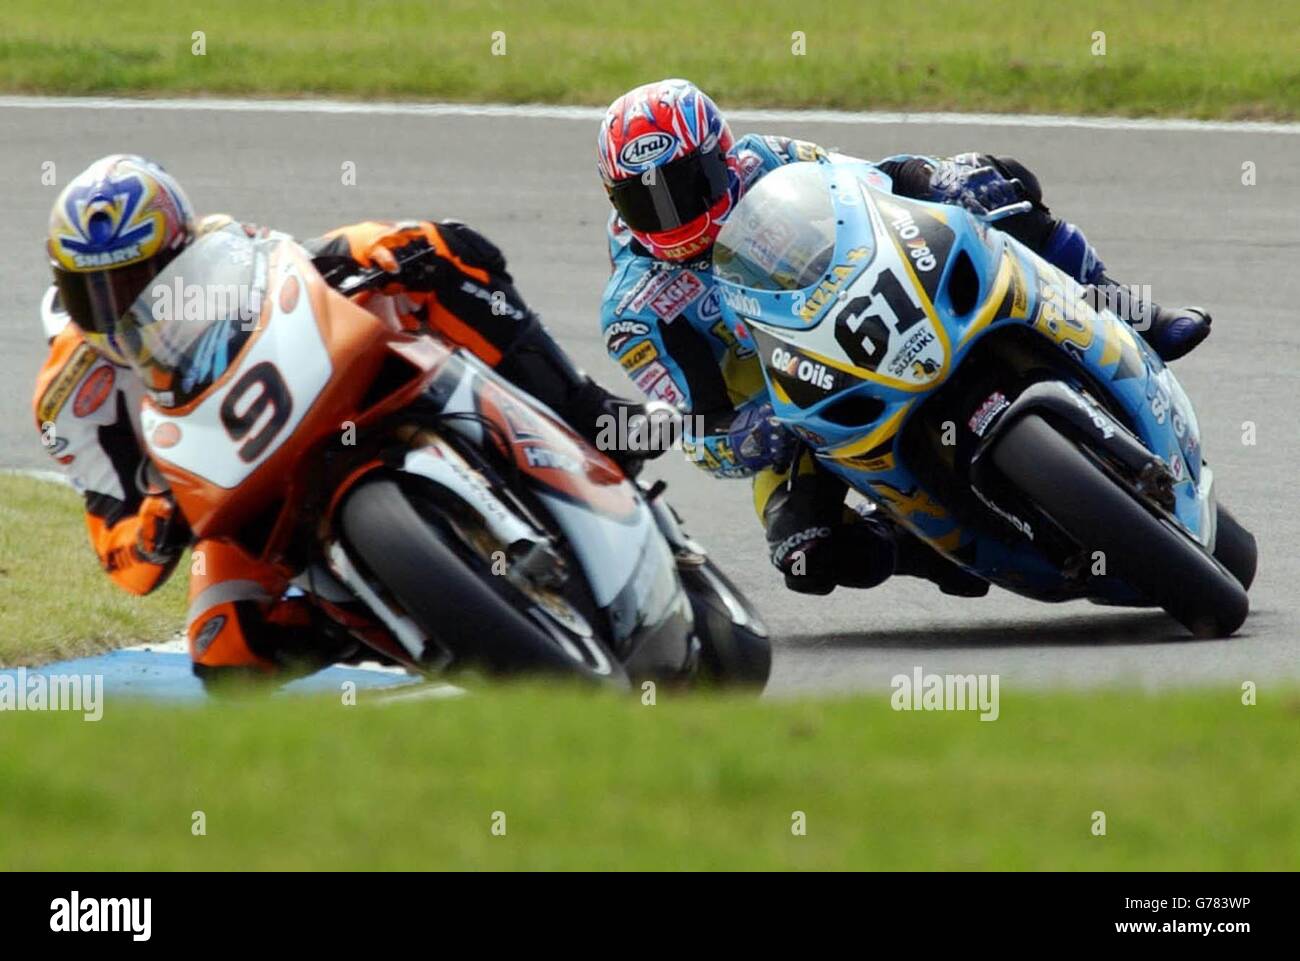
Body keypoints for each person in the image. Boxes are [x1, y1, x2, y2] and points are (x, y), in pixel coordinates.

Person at [35, 154, 650, 687]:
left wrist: (376, 260)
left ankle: (585, 415)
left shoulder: (222, 250)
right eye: (96, 293)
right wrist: (158, 524)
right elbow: (118, 550)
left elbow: (293, 267)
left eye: (138, 280)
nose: (121, 309)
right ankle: (394, 611)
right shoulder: (74, 394)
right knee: (224, 655)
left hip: (312, 394)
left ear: (181, 250)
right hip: (231, 490)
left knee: (435, 252)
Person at [596, 78, 1211, 597]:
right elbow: (701, 434)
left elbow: (870, 184)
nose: (673, 216)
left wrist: (937, 179)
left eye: (686, 186)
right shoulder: (636, 310)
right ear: (617, 203)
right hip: (804, 405)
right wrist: (751, 434)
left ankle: (1122, 305)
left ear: (721, 159)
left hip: (883, 297)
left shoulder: (765, 161)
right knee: (806, 557)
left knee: (993, 183)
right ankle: (911, 540)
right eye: (645, 202)